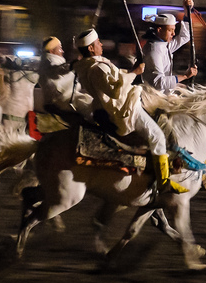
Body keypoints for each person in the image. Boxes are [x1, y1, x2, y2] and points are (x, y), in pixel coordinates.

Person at [72, 28, 187, 193]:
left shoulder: (90, 66)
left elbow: (116, 78)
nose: (101, 44)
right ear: (91, 48)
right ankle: (163, 181)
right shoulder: (97, 68)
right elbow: (114, 90)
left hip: (112, 107)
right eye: (98, 43)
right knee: (158, 137)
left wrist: (134, 70)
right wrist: (134, 73)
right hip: (124, 109)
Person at [142, 0, 198, 93]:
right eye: (170, 30)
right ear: (159, 30)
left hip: (164, 95)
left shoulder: (163, 45)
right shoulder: (154, 51)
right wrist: (185, 76)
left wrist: (187, 11)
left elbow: (185, 36)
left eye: (174, 30)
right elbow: (158, 82)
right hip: (154, 99)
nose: (173, 34)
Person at [38, 35, 93, 119]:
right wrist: (73, 64)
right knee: (92, 109)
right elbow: (58, 70)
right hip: (62, 100)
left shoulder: (50, 61)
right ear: (51, 50)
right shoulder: (49, 62)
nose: (62, 51)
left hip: (67, 98)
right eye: (60, 48)